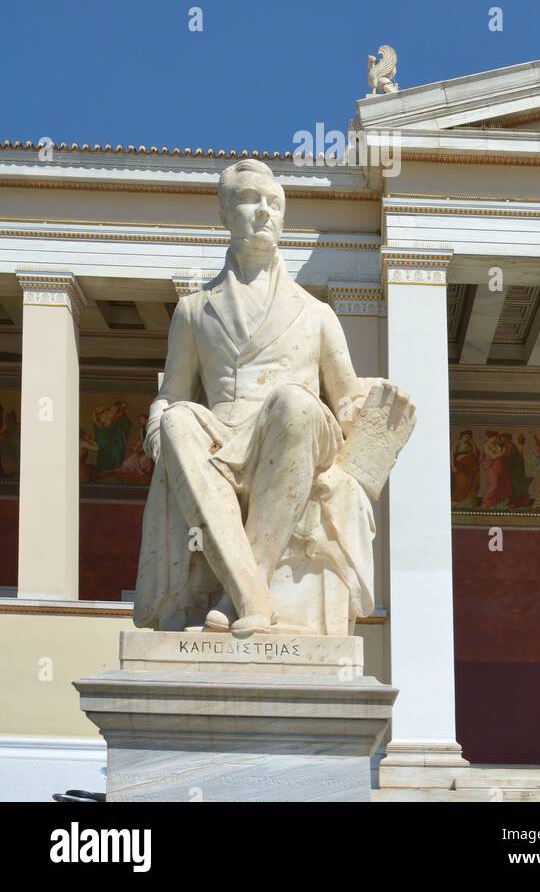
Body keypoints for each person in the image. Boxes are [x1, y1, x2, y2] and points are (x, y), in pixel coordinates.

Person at [133, 159, 410, 636]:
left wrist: (381, 408)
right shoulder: (194, 310)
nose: (263, 212)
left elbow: (346, 399)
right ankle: (251, 595)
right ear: (225, 213)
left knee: (294, 402)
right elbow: (172, 392)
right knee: (178, 420)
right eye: (249, 200)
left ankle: (245, 588)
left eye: (273, 203)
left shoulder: (316, 312)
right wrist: (161, 430)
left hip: (292, 431)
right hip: (223, 436)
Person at [451, 430, 479, 508]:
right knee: (461, 482)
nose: (467, 438)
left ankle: (466, 501)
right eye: (466, 437)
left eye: (469, 437)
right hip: (461, 467)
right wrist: (453, 466)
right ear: (462, 436)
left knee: (470, 483)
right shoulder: (457, 443)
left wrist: (474, 445)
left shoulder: (470, 444)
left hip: (469, 467)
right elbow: (452, 455)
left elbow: (475, 454)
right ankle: (457, 500)